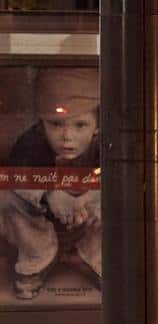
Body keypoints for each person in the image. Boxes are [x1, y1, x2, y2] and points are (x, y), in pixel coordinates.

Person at [0, 68, 102, 300]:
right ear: (41, 124)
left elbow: (117, 179)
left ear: (97, 127)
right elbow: (15, 177)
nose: (67, 136)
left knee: (122, 196)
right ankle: (37, 260)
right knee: (7, 198)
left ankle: (94, 258)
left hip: (86, 222)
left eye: (80, 126)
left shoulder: (104, 146)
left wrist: (88, 199)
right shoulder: (30, 144)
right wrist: (49, 193)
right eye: (56, 125)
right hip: (41, 228)